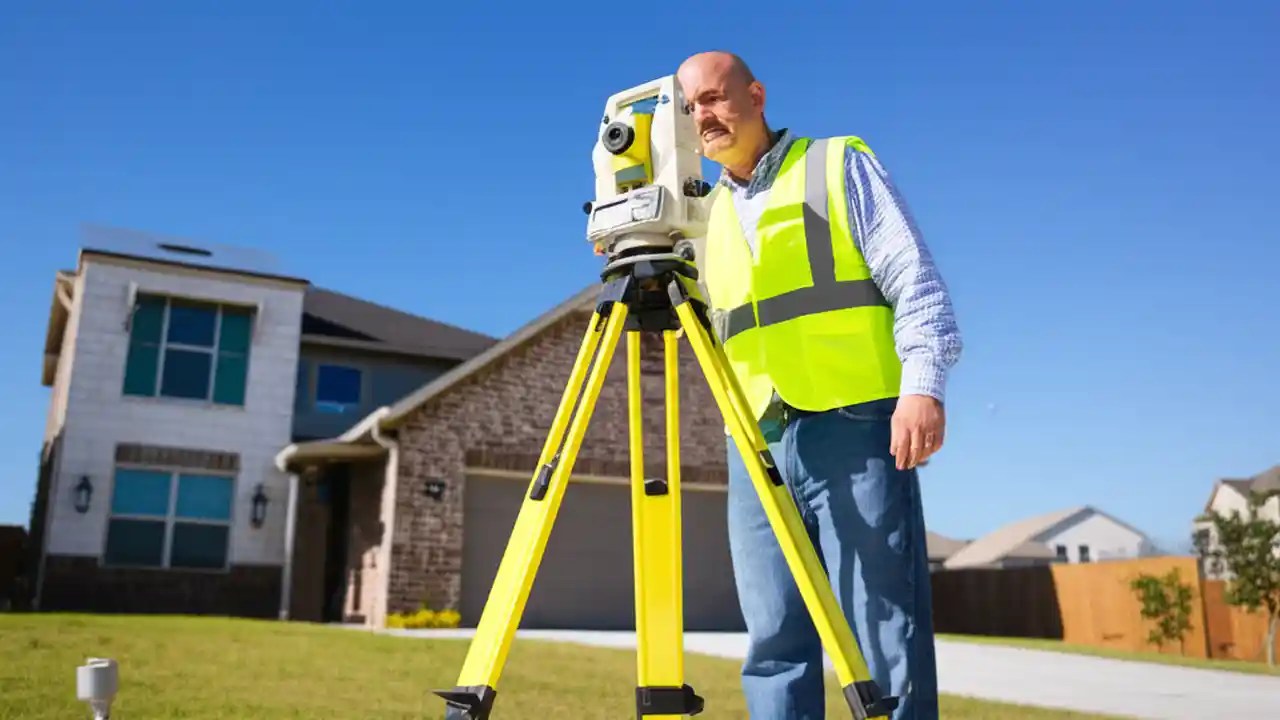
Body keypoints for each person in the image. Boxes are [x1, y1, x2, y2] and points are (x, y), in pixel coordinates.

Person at [675, 51, 962, 720]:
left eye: (713, 98)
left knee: (883, 628)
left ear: (756, 95)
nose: (702, 116)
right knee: (773, 637)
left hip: (853, 424)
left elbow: (915, 279)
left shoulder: (835, 165)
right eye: (690, 108)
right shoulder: (702, 218)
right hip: (756, 442)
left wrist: (922, 386)